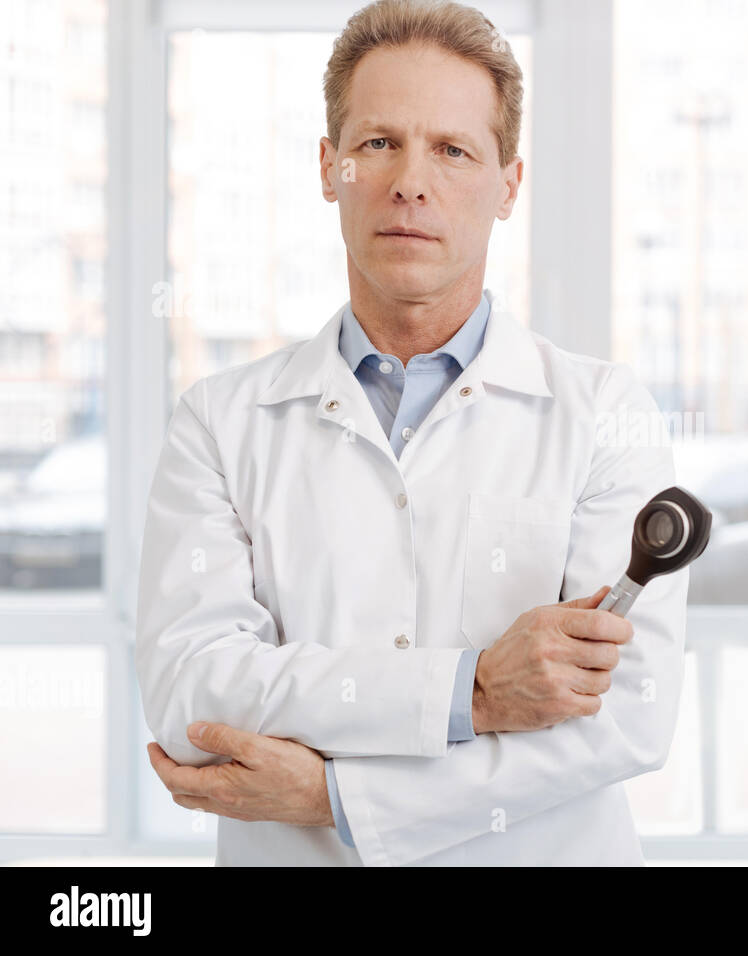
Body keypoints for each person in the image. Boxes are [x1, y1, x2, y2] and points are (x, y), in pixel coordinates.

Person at [135, 0, 686, 866]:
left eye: (453, 150)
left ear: (509, 185)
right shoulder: (220, 420)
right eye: (379, 142)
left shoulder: (604, 414)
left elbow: (622, 718)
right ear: (330, 167)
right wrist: (473, 691)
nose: (410, 183)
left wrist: (335, 798)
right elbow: (189, 688)